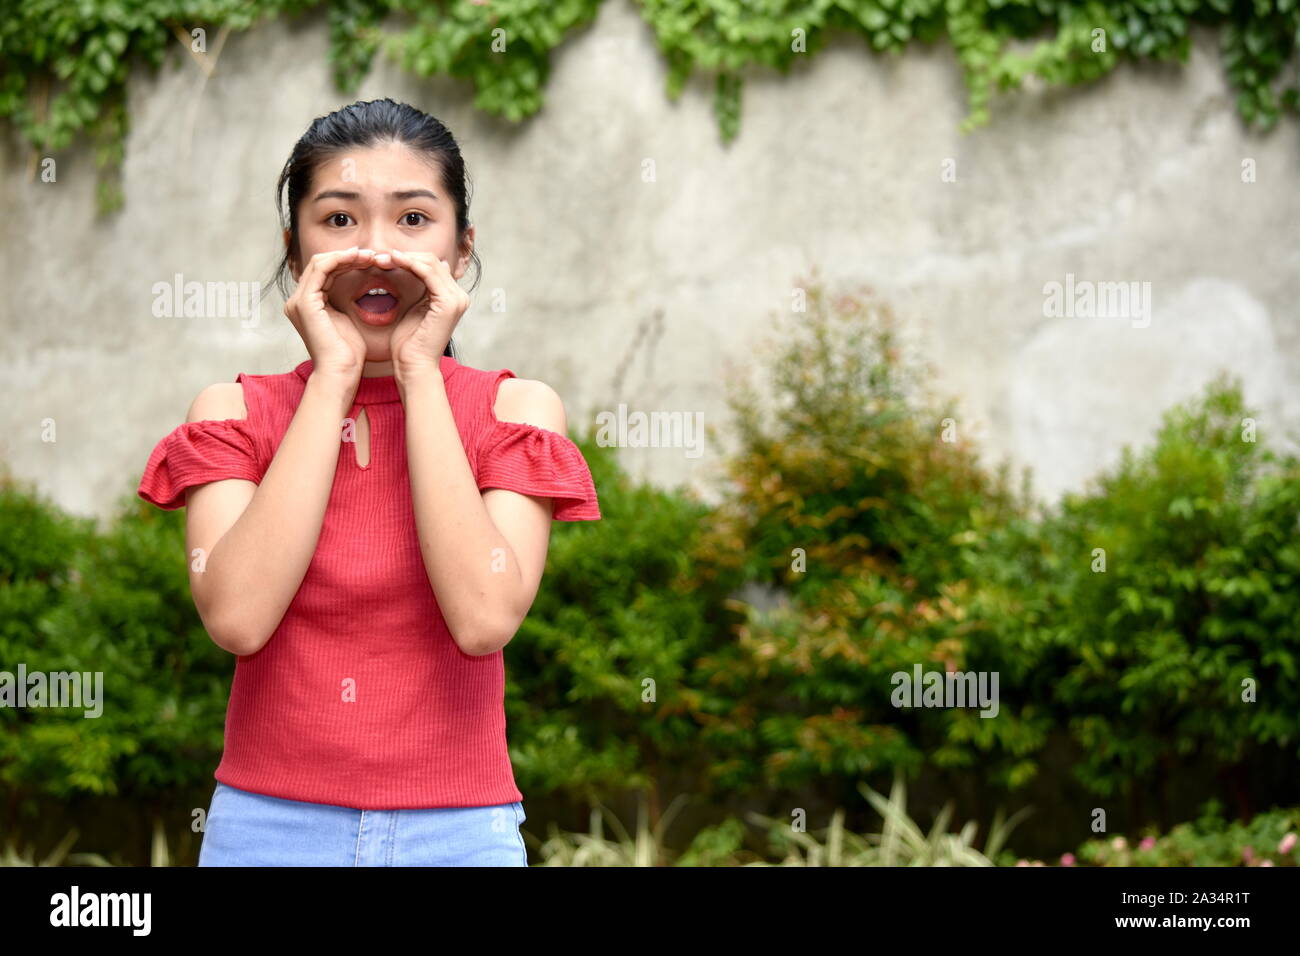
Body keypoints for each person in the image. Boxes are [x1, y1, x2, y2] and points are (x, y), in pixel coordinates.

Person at [137, 98, 601, 866]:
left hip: (460, 833)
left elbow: (483, 620)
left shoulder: (516, 410)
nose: (377, 251)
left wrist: (420, 372)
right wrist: (335, 380)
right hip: (266, 830)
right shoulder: (234, 413)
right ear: (295, 252)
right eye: (340, 220)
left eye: (414, 219)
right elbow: (238, 618)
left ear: (462, 250)